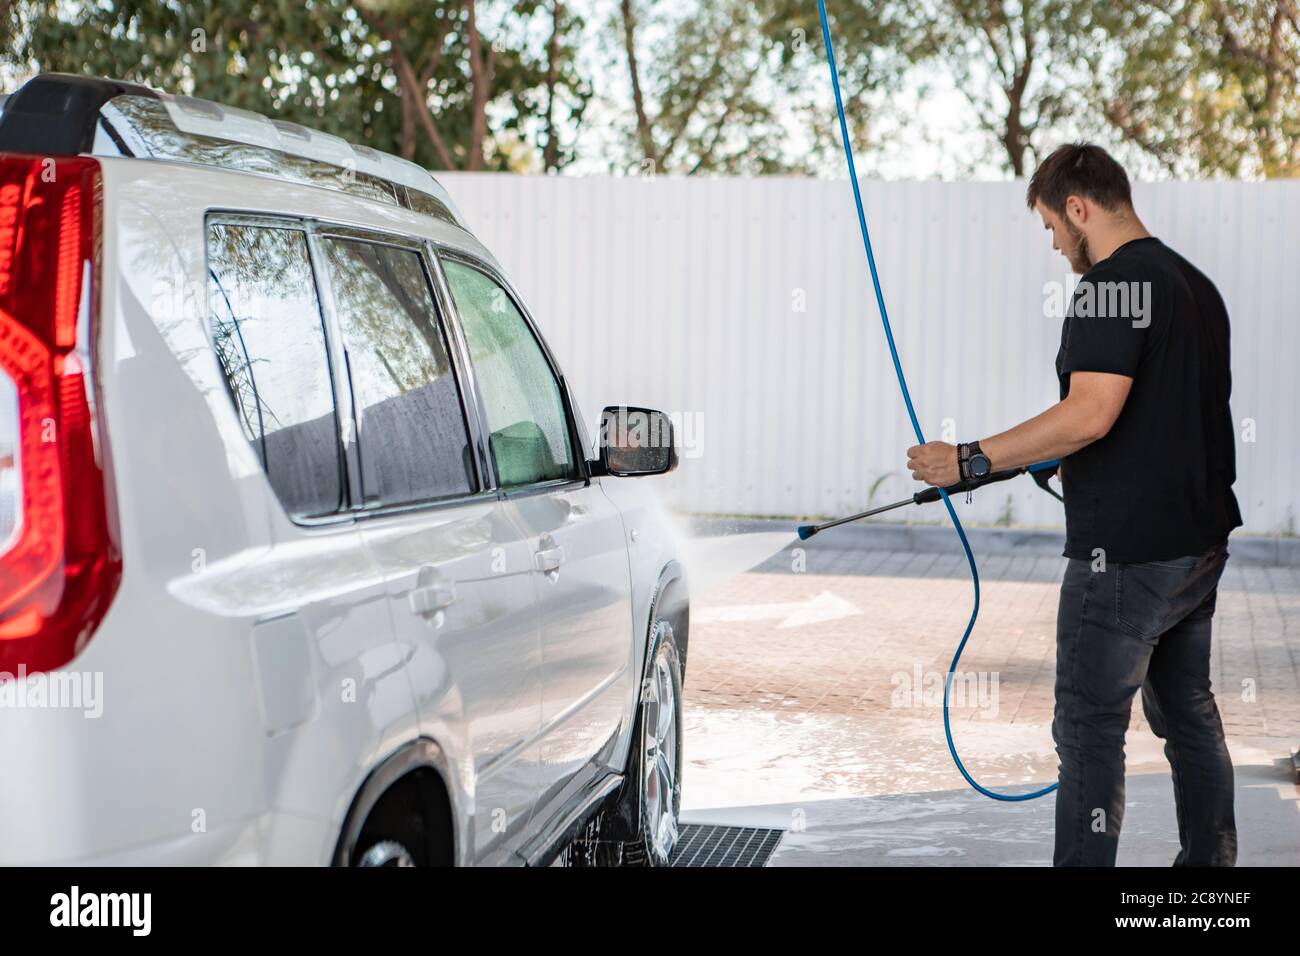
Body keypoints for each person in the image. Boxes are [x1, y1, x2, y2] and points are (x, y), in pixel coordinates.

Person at [906, 142, 1242, 867]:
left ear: (1080, 207)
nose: (1056, 244)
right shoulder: (1194, 286)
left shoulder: (1111, 287)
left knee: (1089, 733)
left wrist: (967, 458)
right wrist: (1036, 459)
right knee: (1188, 714)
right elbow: (1158, 415)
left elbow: (1090, 412)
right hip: (1196, 547)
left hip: (1124, 556)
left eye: (1053, 226)